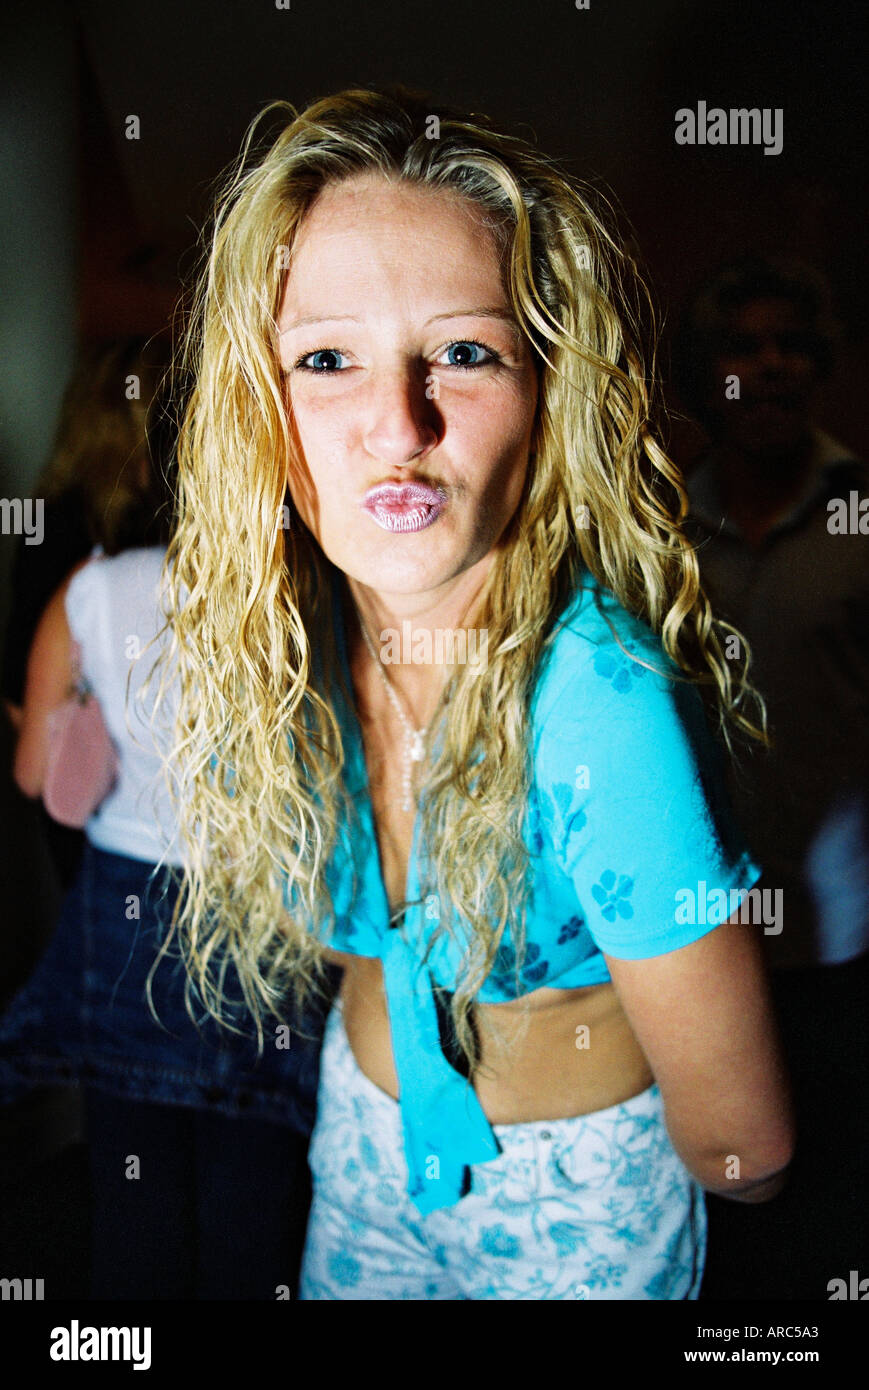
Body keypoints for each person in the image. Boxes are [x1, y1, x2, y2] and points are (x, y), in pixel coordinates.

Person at [157, 84, 795, 1301]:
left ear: (549, 394)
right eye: (326, 357)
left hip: (571, 1206)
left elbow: (743, 1147)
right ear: (257, 405)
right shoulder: (275, 642)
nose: (396, 427)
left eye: (462, 350)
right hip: (359, 1144)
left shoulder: (596, 700)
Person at [1, 341, 330, 1299]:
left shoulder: (93, 589)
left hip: (122, 907)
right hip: (263, 901)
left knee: (131, 1180)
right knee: (254, 1186)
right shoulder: (306, 589)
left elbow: (34, 780)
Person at [674, 258, 869, 1298]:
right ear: (708, 378)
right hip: (694, 937)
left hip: (840, 936)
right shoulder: (656, 529)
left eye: (790, 344)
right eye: (741, 346)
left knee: (832, 1212)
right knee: (718, 1216)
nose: (769, 365)